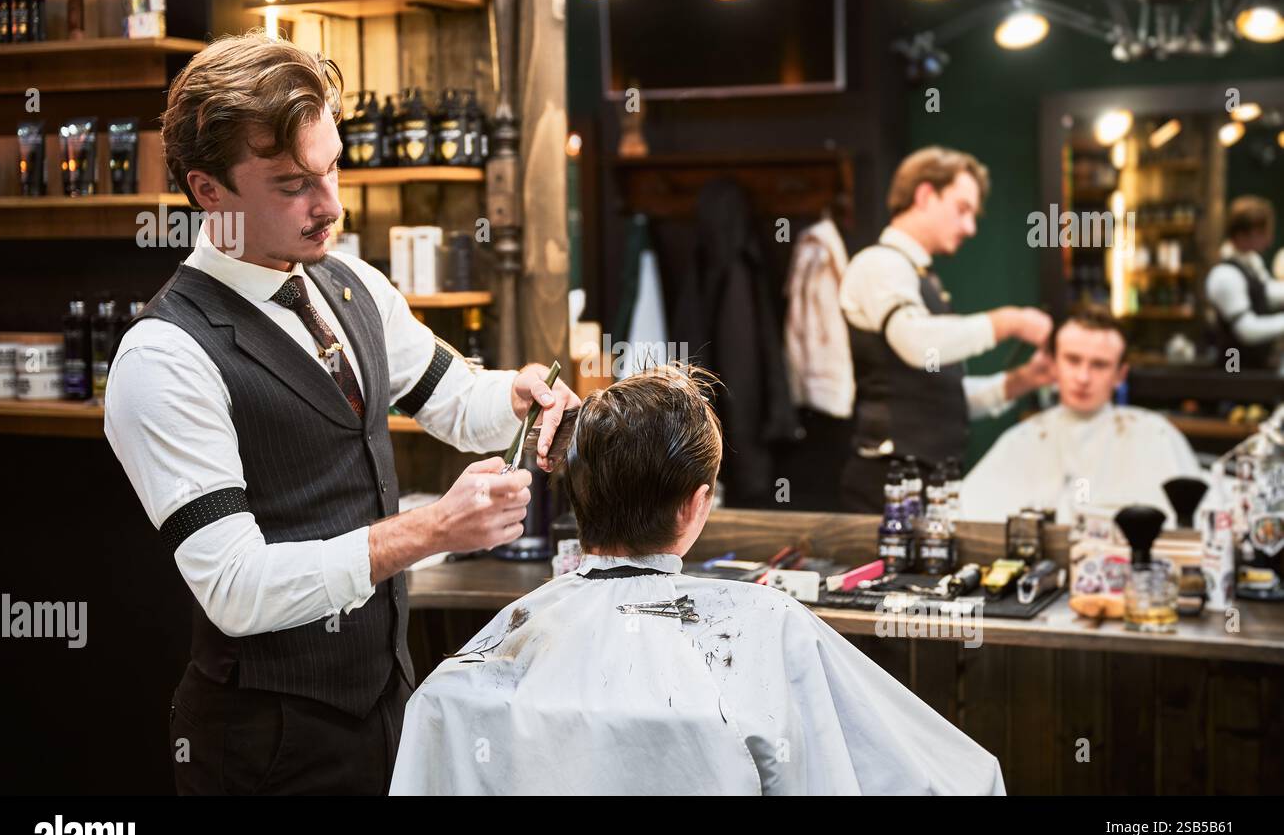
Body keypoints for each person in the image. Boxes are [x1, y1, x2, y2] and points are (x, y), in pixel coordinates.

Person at [104, 32, 579, 795]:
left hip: (386, 704)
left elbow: (453, 398)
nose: (330, 205)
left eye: (332, 168)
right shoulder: (164, 359)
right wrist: (429, 531)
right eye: (292, 184)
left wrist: (516, 391)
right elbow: (236, 586)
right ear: (209, 191)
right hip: (266, 743)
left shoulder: (346, 282)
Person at [390, 365, 1006, 795]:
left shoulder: (480, 666)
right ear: (696, 505)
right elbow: (950, 778)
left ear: (579, 497)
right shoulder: (768, 629)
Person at [839, 147, 1054, 513]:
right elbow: (915, 344)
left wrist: (1025, 379)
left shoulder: (922, 277)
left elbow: (940, 397)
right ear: (925, 195)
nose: (970, 228)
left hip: (924, 485)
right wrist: (1009, 322)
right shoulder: (880, 265)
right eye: (962, 209)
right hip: (887, 487)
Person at [960, 309, 1202, 526]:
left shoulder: (1155, 436)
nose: (1083, 377)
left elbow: (1194, 526)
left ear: (1120, 374)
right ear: (1053, 364)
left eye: (1099, 365)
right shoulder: (1023, 439)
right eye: (1073, 360)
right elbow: (969, 516)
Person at [1207, 196, 1284, 370]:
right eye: (1262, 233)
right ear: (1242, 235)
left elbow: (1267, 292)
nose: (1269, 240)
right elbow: (1246, 330)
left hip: (1256, 364)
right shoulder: (1225, 275)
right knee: (1236, 393)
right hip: (1234, 365)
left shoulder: (1250, 261)